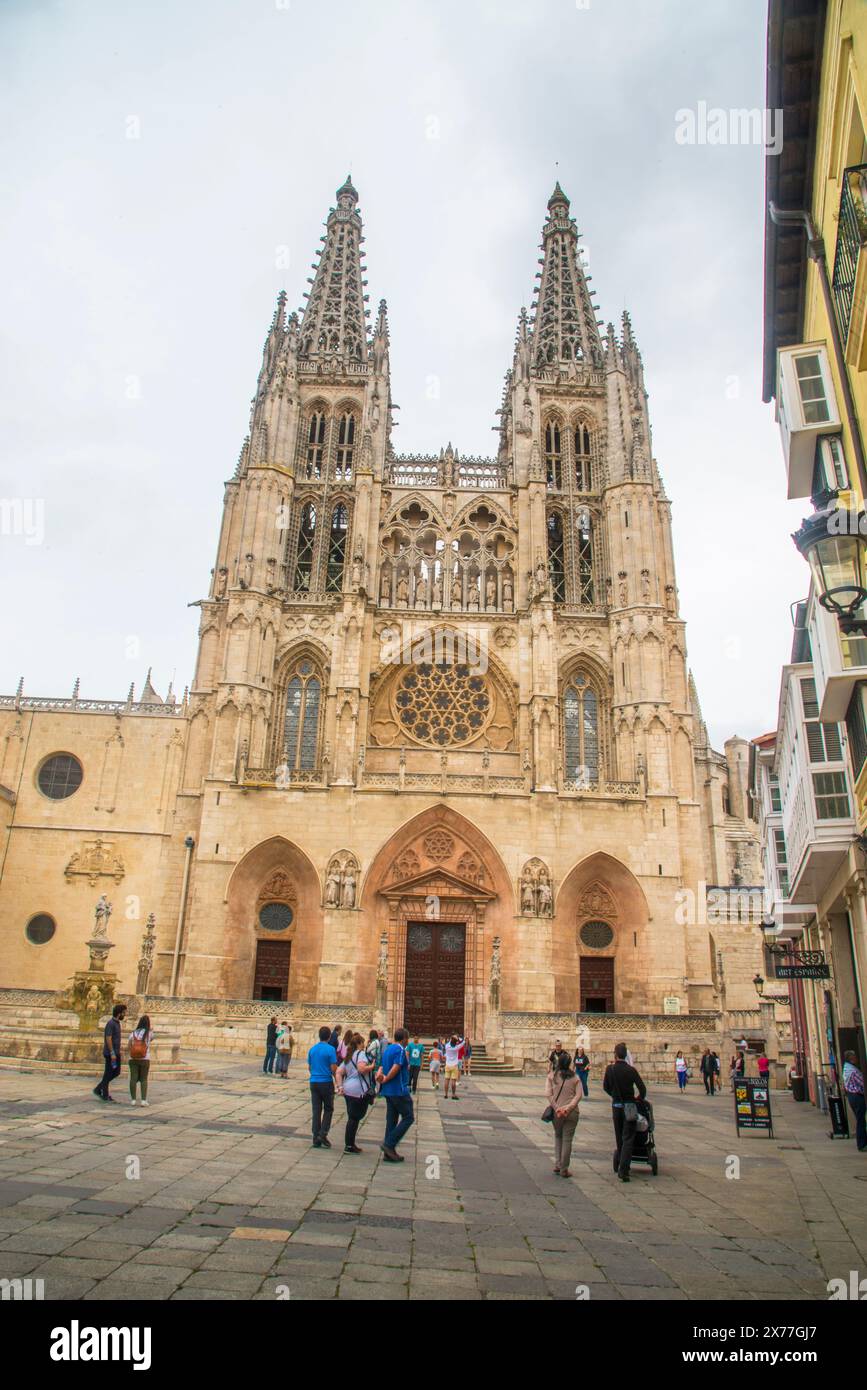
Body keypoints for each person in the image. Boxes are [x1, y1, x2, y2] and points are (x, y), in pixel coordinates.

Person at [603, 1042, 647, 1183]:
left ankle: (621, 1165)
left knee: (619, 1137)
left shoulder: (610, 1069)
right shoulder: (631, 1070)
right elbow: (643, 1089)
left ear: (615, 1055)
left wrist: (614, 1095)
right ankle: (624, 1170)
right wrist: (637, 1099)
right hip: (630, 1106)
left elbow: (605, 1087)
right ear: (625, 1055)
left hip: (616, 1105)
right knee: (628, 1138)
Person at [377, 1027, 415, 1162]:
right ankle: (389, 1144)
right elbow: (397, 1066)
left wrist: (380, 1076)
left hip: (387, 1091)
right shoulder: (400, 1049)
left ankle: (389, 1153)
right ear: (404, 1039)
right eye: (407, 1038)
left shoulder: (388, 1049)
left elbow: (381, 1065)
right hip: (399, 1090)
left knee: (391, 1120)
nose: (408, 1041)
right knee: (409, 1117)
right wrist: (386, 1078)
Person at [337, 1032, 374, 1154]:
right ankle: (349, 1145)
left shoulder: (349, 1056)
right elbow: (361, 1069)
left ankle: (350, 1144)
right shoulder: (361, 1054)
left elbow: (338, 1072)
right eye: (362, 1042)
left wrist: (340, 1086)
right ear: (359, 1043)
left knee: (352, 1118)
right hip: (358, 1090)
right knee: (355, 1118)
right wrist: (372, 1067)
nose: (364, 1045)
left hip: (348, 1089)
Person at [546, 1051, 582, 1177]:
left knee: (558, 1136)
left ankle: (558, 1164)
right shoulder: (575, 1078)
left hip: (557, 1113)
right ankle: (564, 1169)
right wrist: (568, 1108)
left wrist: (557, 1109)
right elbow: (578, 1096)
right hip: (571, 1113)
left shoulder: (552, 1076)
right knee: (567, 1139)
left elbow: (548, 1095)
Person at [307, 1024, 338, 1148]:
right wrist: (338, 1082)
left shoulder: (312, 1049)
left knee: (316, 1109)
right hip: (326, 1082)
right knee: (329, 1108)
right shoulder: (330, 1049)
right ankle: (323, 1133)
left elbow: (310, 1067)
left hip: (314, 1081)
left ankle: (315, 1136)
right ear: (329, 1037)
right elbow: (333, 1068)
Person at [94, 1003, 127, 1102]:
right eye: (124, 1013)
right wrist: (112, 1052)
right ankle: (104, 1094)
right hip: (110, 1054)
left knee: (116, 1072)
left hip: (115, 1053)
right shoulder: (111, 1023)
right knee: (108, 1073)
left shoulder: (117, 1023)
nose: (124, 1015)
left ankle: (99, 1089)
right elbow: (108, 1038)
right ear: (119, 1013)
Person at [127, 1014, 154, 1107]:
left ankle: (133, 1100)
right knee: (143, 1079)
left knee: (133, 1079)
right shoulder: (149, 1033)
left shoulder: (133, 1033)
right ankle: (143, 1100)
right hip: (145, 1058)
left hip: (133, 1058)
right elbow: (151, 1040)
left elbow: (129, 1045)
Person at [843, 1051, 866, 1152]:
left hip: (851, 1096)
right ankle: (862, 1144)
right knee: (861, 1121)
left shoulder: (846, 1068)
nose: (856, 1058)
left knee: (860, 1120)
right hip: (857, 1096)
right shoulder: (853, 1071)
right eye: (855, 1056)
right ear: (851, 1058)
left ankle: (862, 1142)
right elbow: (863, 1083)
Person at [443, 1034, 462, 1100]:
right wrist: (458, 1038)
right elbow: (463, 1041)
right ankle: (453, 1094)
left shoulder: (447, 1046)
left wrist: (453, 1038)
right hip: (454, 1065)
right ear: (456, 1042)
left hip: (447, 1065)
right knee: (453, 1081)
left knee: (446, 1080)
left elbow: (450, 1042)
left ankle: (445, 1094)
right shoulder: (457, 1047)